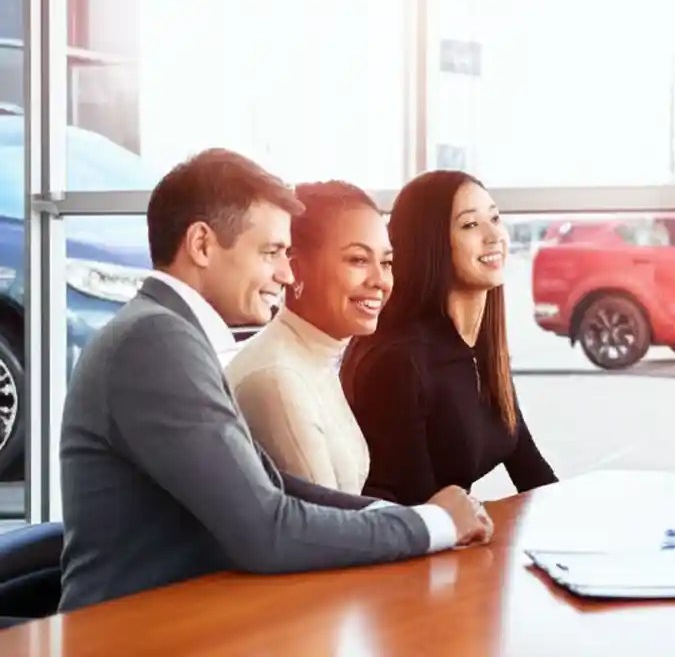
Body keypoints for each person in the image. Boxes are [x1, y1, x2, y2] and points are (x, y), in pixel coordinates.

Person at [59, 150, 493, 612]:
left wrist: (410, 517)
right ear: (202, 245)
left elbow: (271, 483)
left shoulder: (166, 332)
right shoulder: (156, 342)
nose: (286, 274)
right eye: (270, 253)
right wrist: (433, 525)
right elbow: (267, 530)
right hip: (132, 634)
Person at [341, 170, 557, 505]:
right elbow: (420, 512)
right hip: (408, 547)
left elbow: (533, 473)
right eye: (470, 225)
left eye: (495, 218)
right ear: (432, 243)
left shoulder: (480, 349)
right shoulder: (399, 361)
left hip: (452, 541)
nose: (494, 235)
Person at [226, 181, 390, 494]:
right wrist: (432, 519)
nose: (380, 280)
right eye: (358, 259)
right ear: (296, 270)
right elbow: (328, 532)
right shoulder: (278, 378)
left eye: (386, 262)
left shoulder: (314, 355)